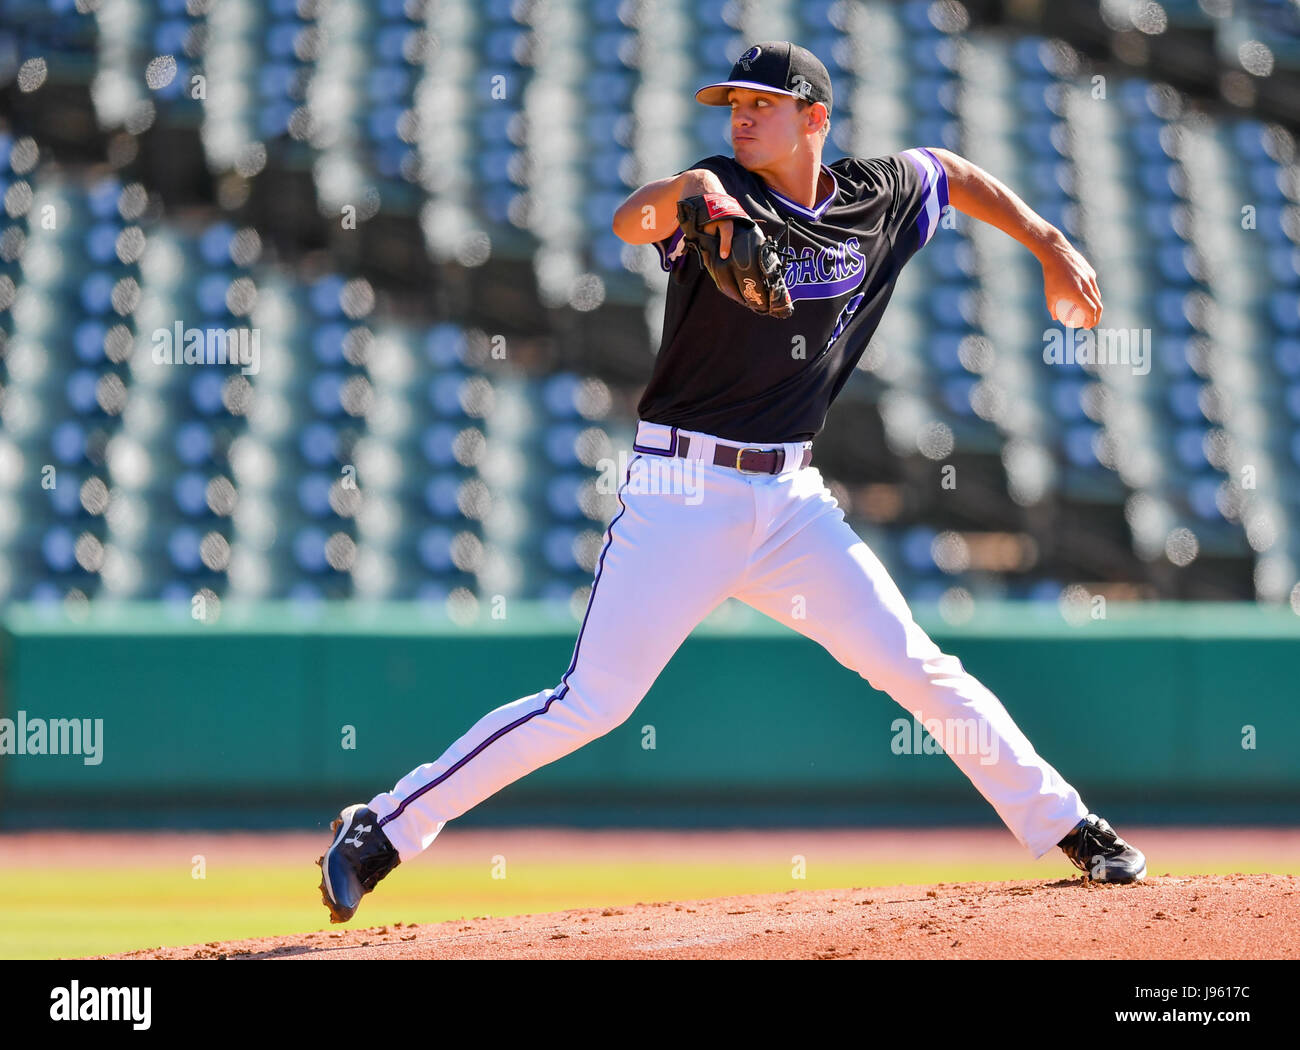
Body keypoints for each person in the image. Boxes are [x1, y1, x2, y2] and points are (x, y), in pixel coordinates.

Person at [317, 40, 1145, 925]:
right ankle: (384, 827)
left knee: (918, 667)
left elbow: (950, 170)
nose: (741, 116)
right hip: (684, 489)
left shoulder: (875, 197)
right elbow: (630, 221)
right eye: (734, 103)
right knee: (590, 704)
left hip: (792, 502)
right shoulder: (718, 187)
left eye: (761, 103)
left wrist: (1049, 241)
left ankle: (1071, 828)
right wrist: (687, 197)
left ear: (814, 118)